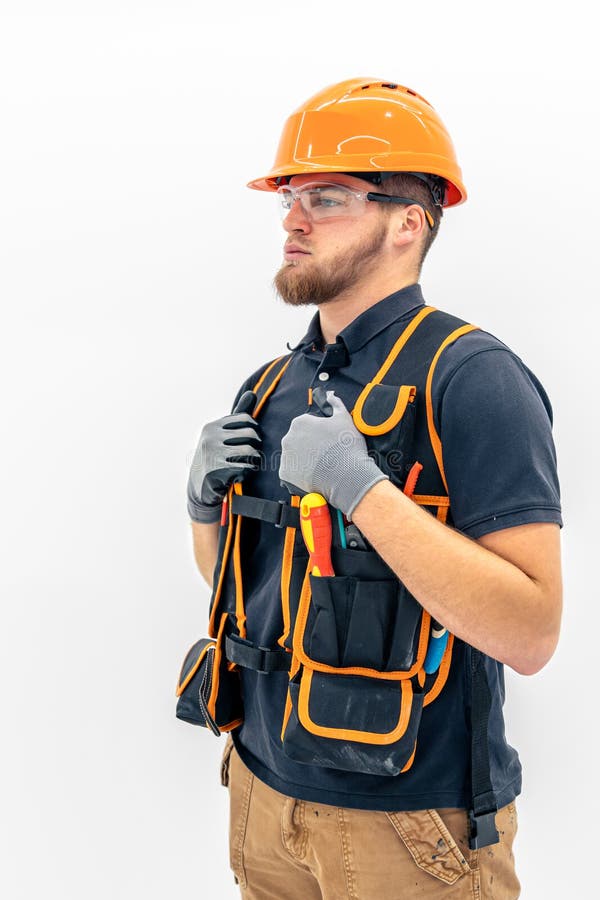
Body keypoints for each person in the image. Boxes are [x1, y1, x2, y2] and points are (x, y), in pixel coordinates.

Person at [185, 78, 562, 899]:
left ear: (407, 222)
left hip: (411, 822)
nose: (293, 219)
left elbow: (532, 633)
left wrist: (363, 491)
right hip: (260, 792)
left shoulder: (472, 378)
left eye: (326, 197)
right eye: (289, 196)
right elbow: (246, 589)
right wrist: (205, 509)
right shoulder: (270, 386)